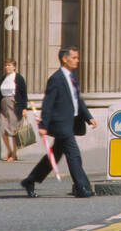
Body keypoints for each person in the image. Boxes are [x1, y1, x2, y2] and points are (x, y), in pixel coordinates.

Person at [20, 45, 96, 197]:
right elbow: (48, 102)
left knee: (54, 155)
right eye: (74, 58)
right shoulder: (56, 79)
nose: (77, 61)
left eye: (77, 58)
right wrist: (43, 125)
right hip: (60, 123)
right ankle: (81, 187)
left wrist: (88, 117)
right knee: (74, 153)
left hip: (70, 122)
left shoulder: (71, 77)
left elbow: (77, 100)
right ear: (64, 59)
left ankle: (31, 180)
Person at [0, 58, 29, 162]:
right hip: (4, 104)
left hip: (14, 104)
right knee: (3, 129)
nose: (7, 67)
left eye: (9, 65)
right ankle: (9, 150)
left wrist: (24, 108)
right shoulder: (3, 78)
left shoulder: (18, 78)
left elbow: (24, 94)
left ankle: (14, 154)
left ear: (14, 67)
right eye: (6, 65)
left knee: (14, 130)